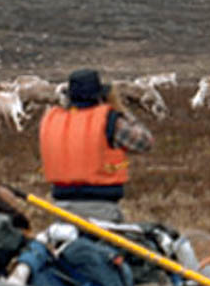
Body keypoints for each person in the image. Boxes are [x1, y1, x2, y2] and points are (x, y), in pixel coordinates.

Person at [39, 68, 153, 223]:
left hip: (61, 208)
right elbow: (144, 142)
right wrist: (119, 109)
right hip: (101, 208)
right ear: (100, 96)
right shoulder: (108, 121)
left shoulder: (53, 121)